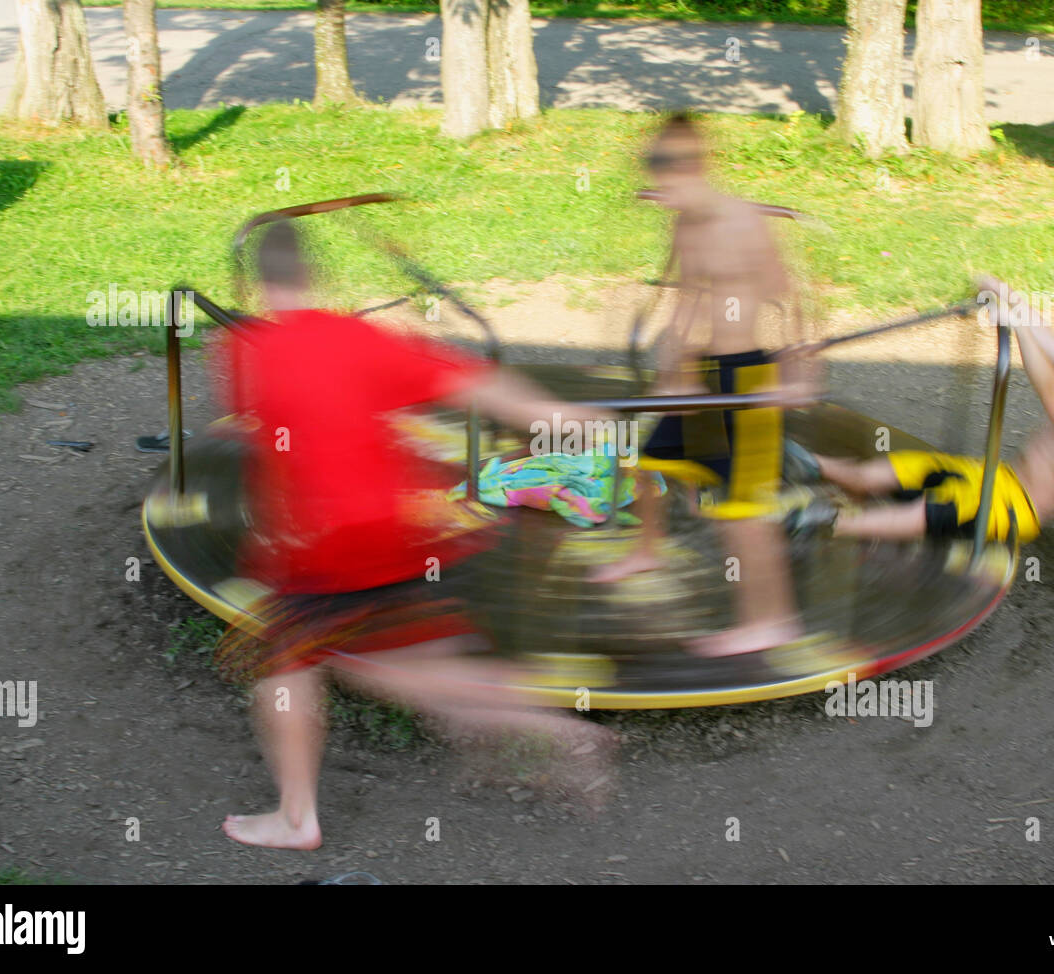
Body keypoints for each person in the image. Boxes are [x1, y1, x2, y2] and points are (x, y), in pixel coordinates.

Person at [192, 220, 616, 850]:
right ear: (317, 278)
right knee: (417, 660)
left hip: (324, 540)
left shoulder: (241, 350)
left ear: (259, 287)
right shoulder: (362, 337)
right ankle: (540, 727)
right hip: (404, 527)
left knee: (288, 659)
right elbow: (479, 384)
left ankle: (297, 816)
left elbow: (263, 424)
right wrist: (569, 420)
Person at [589, 113, 820, 658]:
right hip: (700, 376)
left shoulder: (742, 224)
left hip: (746, 380)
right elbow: (689, 297)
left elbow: (797, 299)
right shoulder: (683, 224)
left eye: (663, 170)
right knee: (648, 463)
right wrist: (671, 369)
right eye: (648, 166)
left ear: (695, 168)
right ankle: (648, 549)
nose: (652, 183)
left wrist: (800, 374)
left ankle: (773, 620)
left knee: (740, 512)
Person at [786, 276, 1054, 545]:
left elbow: (1046, 386)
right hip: (998, 477)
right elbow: (1053, 351)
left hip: (1016, 507)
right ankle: (816, 465)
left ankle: (834, 524)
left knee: (928, 516)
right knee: (899, 470)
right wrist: (1012, 300)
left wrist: (1014, 318)